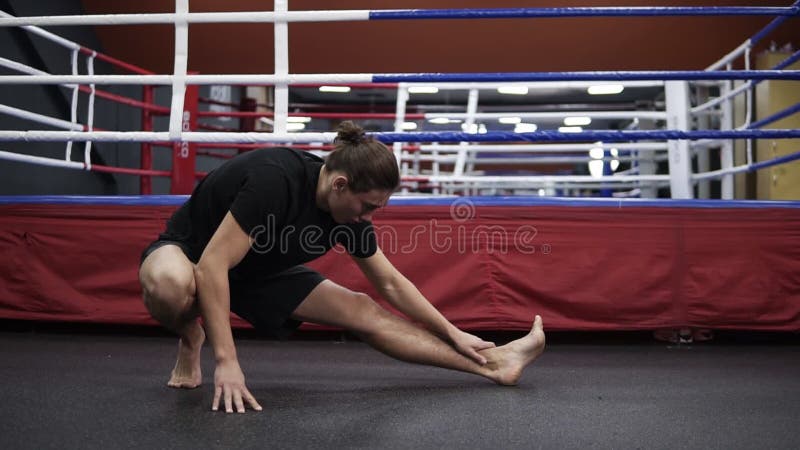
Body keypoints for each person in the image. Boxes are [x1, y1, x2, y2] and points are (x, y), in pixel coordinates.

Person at [138, 121, 546, 414]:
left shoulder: (348, 215)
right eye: (368, 206)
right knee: (171, 284)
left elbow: (389, 282)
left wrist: (453, 332)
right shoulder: (273, 180)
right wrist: (226, 361)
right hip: (194, 253)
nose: (370, 217)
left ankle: (496, 367)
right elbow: (212, 267)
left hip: (258, 272)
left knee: (363, 310)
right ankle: (190, 334)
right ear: (339, 184)